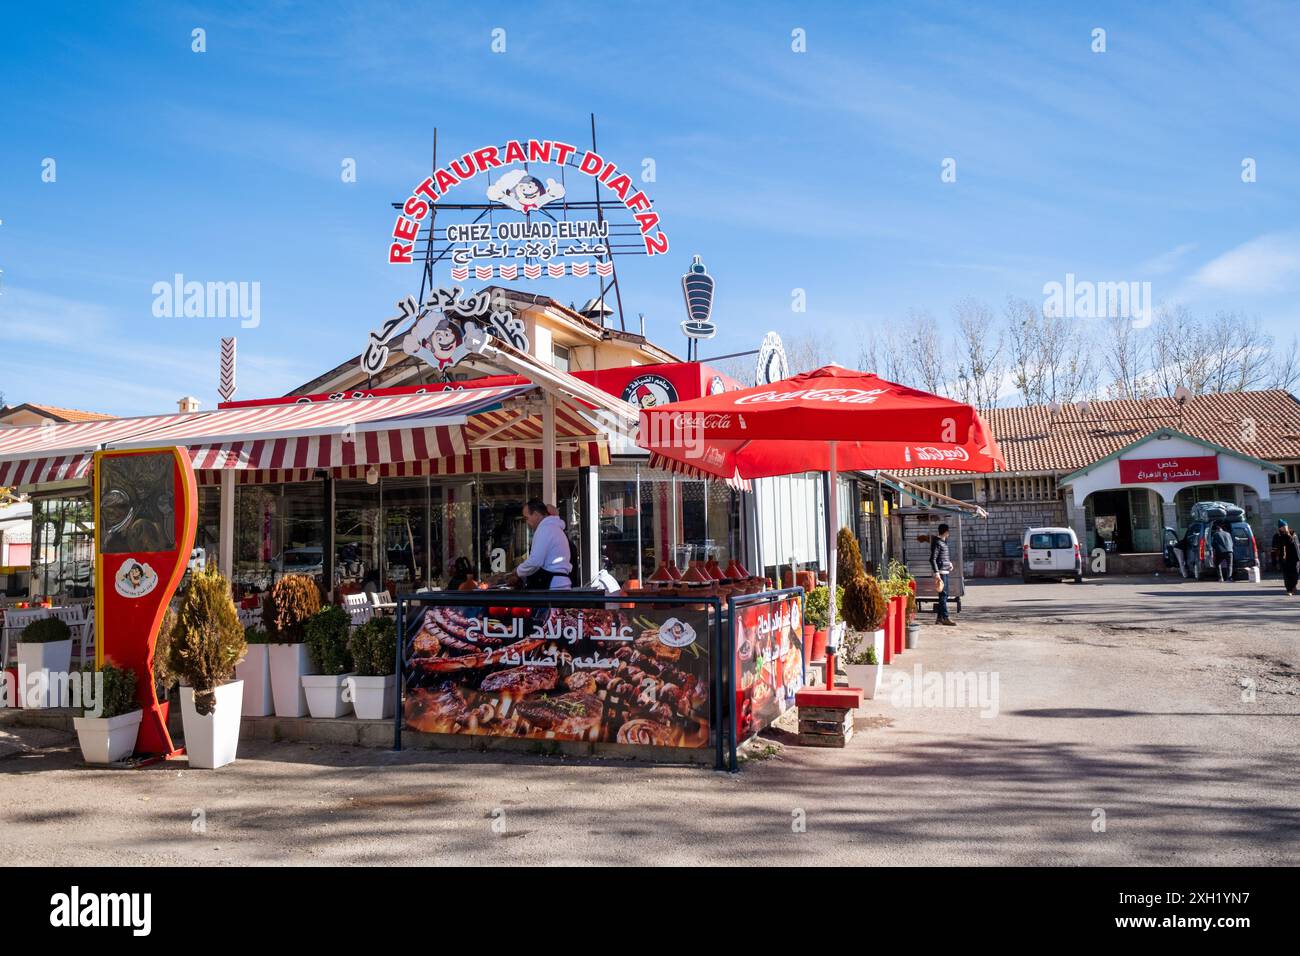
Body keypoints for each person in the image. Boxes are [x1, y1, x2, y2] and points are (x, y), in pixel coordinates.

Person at [514, 499, 572, 590]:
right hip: (561, 583)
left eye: (527, 518)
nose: (527, 523)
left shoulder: (544, 529)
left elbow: (535, 561)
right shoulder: (555, 528)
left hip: (552, 586)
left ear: (536, 515)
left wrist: (517, 572)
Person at [930, 523, 954, 626]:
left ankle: (939, 618)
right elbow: (932, 559)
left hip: (945, 571)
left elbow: (942, 557)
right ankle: (945, 617)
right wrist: (937, 573)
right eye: (948, 531)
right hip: (941, 572)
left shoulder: (942, 542)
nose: (949, 534)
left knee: (944, 595)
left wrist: (949, 563)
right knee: (943, 595)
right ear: (945, 532)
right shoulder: (937, 542)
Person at [1271, 519, 1300, 596]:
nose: (1284, 528)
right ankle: (1289, 590)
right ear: (1279, 528)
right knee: (1286, 575)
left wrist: (1288, 534)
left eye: (1285, 526)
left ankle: (1293, 586)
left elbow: (1296, 546)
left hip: (1294, 558)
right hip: (1284, 559)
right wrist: (1274, 561)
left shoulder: (1293, 534)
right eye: (1282, 527)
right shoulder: (1277, 536)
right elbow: (1274, 549)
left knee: (1295, 574)